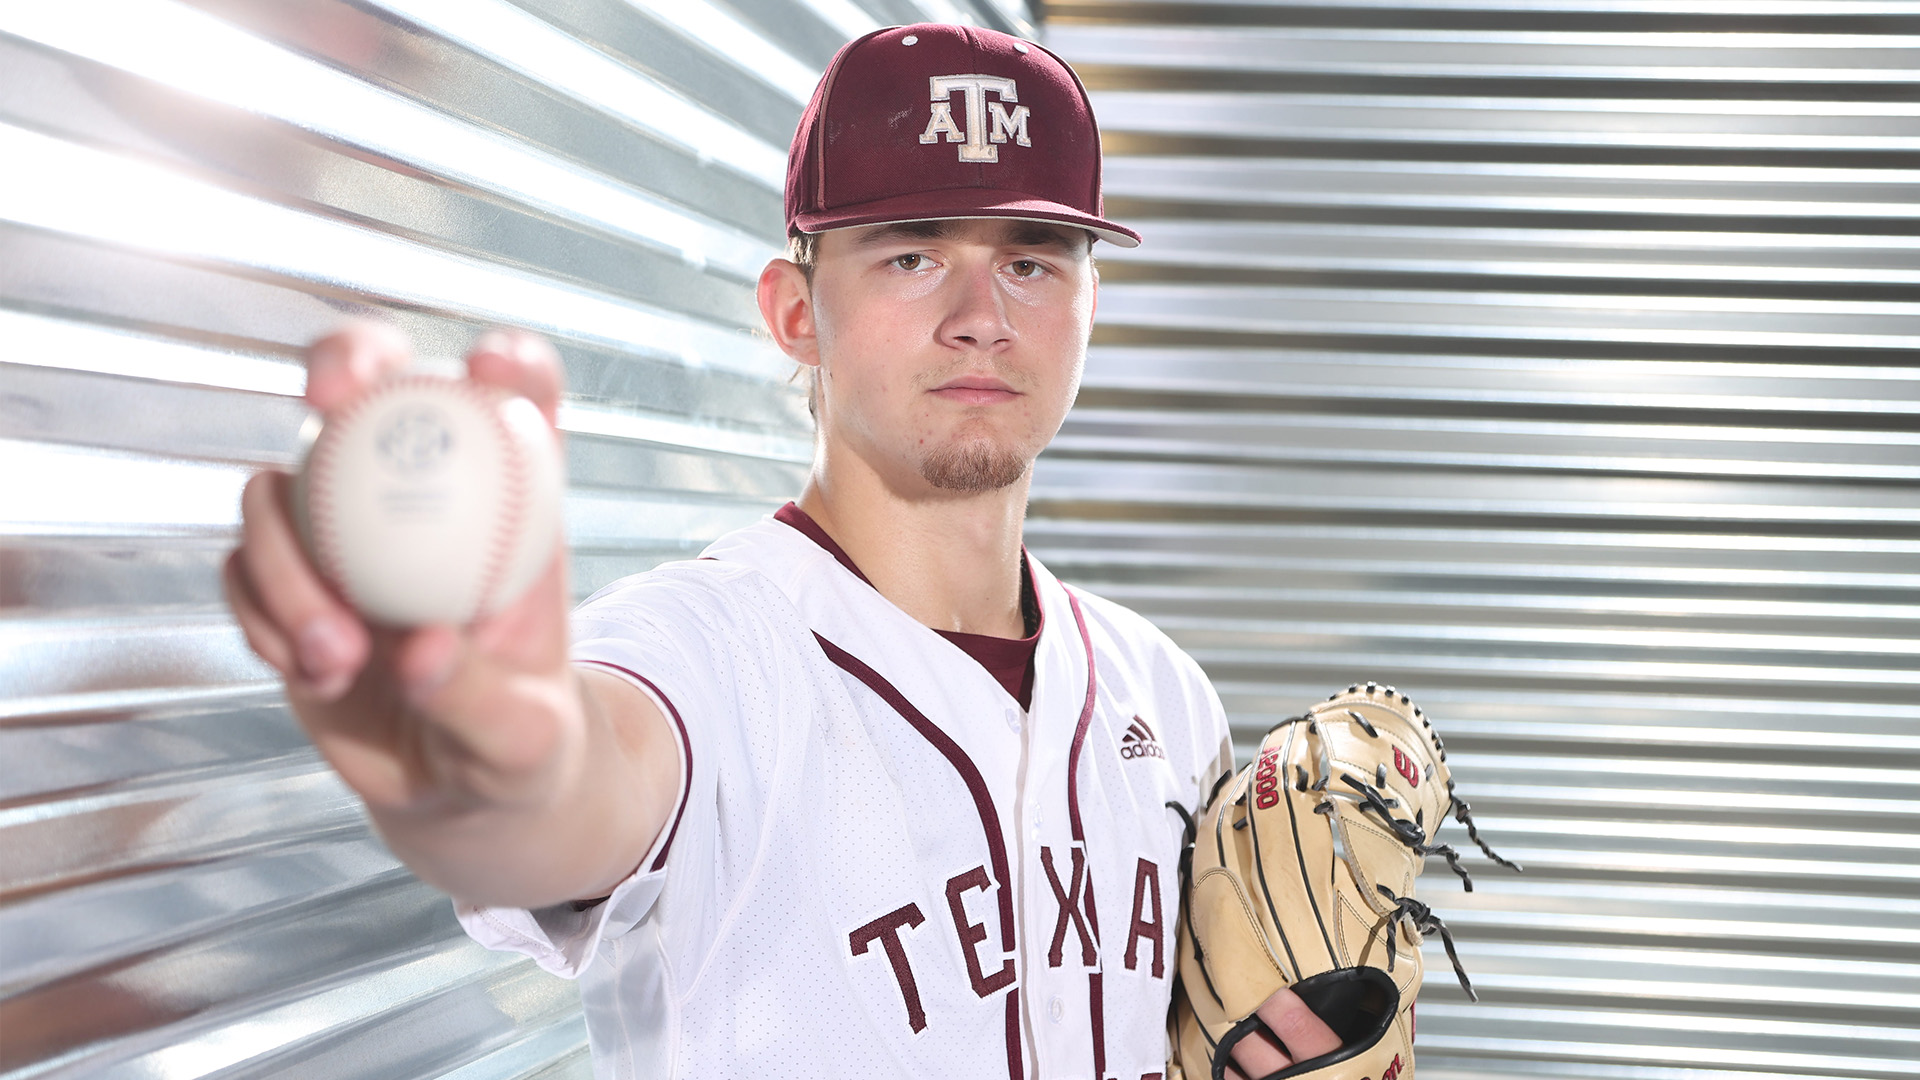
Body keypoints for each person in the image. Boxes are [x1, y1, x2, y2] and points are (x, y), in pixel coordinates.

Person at [225, 22, 1339, 1080]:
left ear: (1091, 303)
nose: (981, 315)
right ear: (795, 311)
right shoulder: (704, 656)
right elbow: (571, 788)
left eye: (1033, 260)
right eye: (910, 256)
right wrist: (488, 766)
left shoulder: (1170, 700)